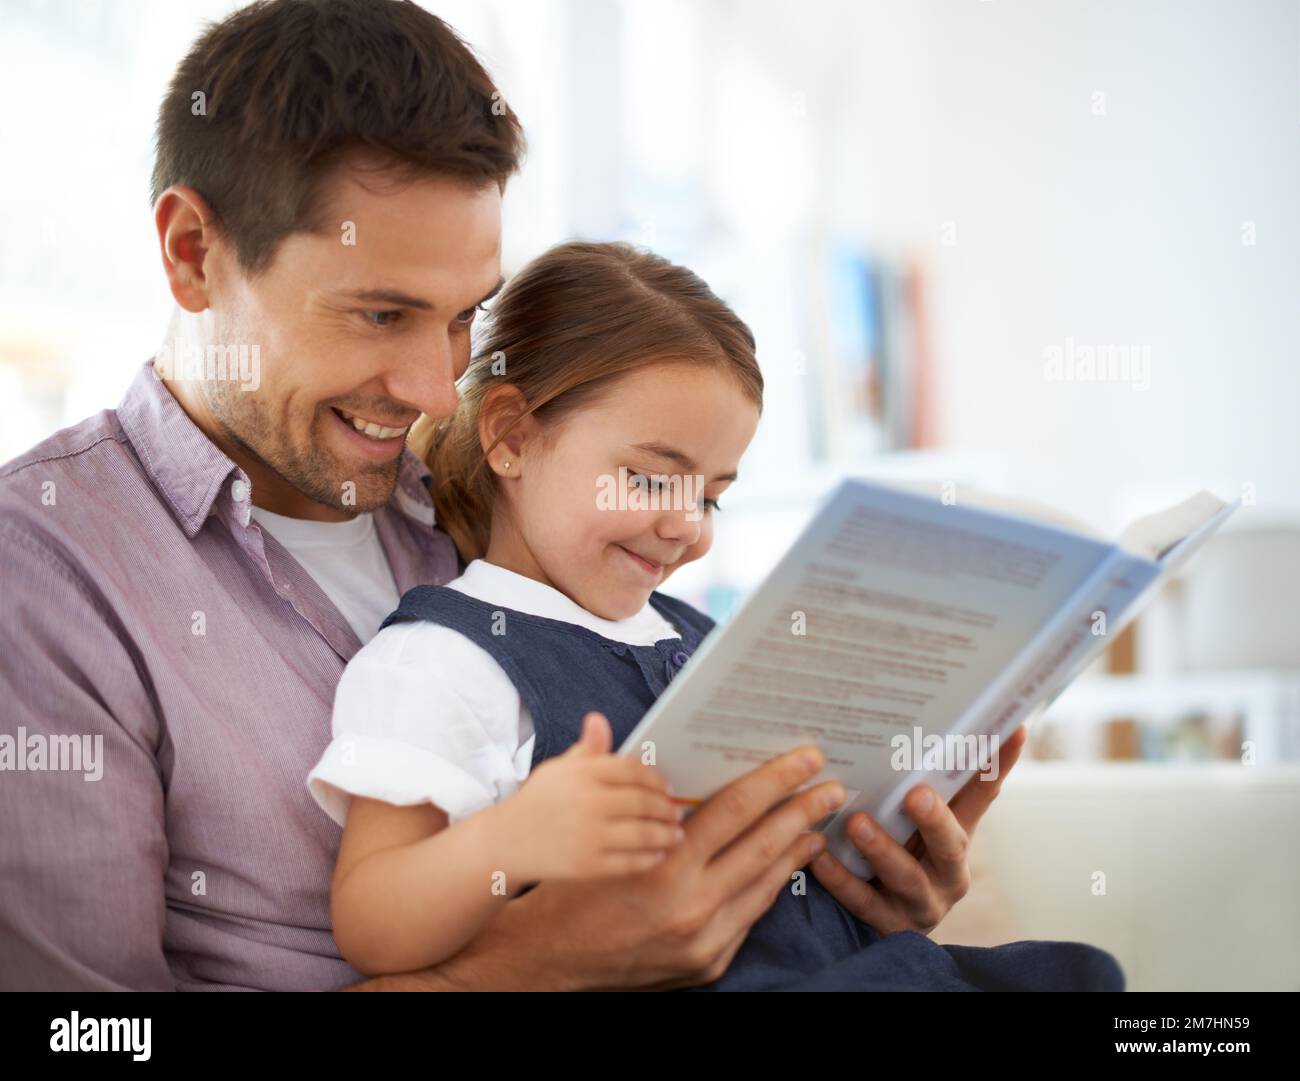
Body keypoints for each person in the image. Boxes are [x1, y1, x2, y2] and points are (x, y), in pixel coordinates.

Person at [0, 0, 1040, 991]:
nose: (430, 388)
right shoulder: (46, 576)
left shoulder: (511, 510)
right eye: (378, 314)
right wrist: (526, 968)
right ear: (192, 252)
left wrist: (850, 895)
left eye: (464, 318)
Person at [308, 241, 1124, 991]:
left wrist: (873, 837)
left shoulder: (692, 636)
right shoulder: (439, 660)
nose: (686, 525)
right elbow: (372, 918)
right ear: (513, 436)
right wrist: (512, 836)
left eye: (710, 496)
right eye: (653, 477)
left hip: (856, 964)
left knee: (1078, 975)